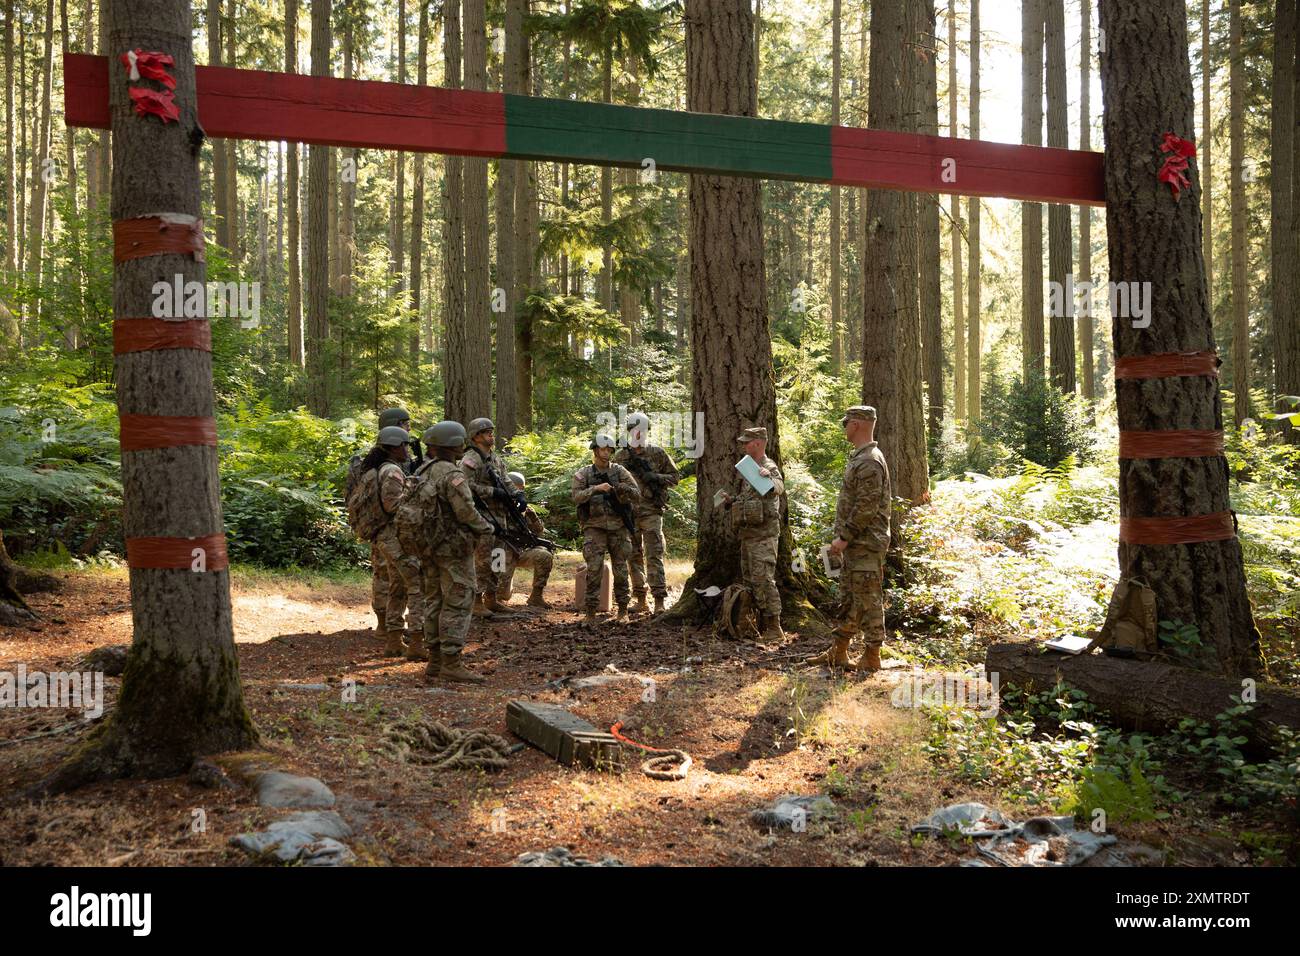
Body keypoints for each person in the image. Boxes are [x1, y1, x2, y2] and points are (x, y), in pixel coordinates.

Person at [405, 420, 495, 684]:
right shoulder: (451, 474)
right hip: (453, 549)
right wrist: (486, 528)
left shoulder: (423, 469)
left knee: (434, 601)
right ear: (453, 444)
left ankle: (434, 662)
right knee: (458, 601)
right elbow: (465, 510)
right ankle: (452, 663)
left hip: (428, 547)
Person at [806, 405, 891, 672]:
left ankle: (872, 655)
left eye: (846, 423)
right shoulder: (862, 457)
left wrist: (844, 536)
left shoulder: (869, 460)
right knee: (851, 598)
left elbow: (866, 506)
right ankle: (839, 651)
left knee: (868, 599)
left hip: (865, 543)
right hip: (857, 544)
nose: (844, 428)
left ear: (855, 424)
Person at [718, 426, 784, 641]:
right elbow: (750, 500)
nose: (744, 446)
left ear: (757, 443)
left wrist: (769, 478)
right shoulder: (749, 469)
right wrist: (732, 502)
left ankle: (775, 628)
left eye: (747, 442)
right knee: (751, 581)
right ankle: (754, 625)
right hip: (748, 536)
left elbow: (779, 487)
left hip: (764, 537)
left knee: (764, 580)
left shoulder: (767, 466)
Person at [613, 411, 680, 615]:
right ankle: (640, 598)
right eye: (634, 430)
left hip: (651, 511)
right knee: (633, 556)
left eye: (641, 430)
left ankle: (659, 600)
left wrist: (655, 477)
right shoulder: (621, 456)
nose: (638, 434)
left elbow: (675, 477)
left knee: (654, 554)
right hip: (629, 513)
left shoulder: (657, 453)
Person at [369, 425, 426, 660]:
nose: (407, 450)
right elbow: (393, 506)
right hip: (394, 537)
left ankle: (393, 641)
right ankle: (416, 643)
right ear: (394, 447)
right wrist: (415, 489)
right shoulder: (392, 472)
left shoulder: (379, 468)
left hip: (386, 537)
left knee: (398, 586)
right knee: (417, 584)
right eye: (404, 445)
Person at [571, 434, 641, 624]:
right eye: (603, 449)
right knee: (594, 570)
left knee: (620, 570)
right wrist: (595, 489)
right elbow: (576, 497)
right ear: (595, 451)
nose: (607, 453)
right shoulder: (584, 474)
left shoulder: (620, 471)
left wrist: (618, 488)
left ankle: (623, 610)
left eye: (610, 450)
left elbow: (636, 494)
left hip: (618, 527)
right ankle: (591, 612)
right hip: (594, 528)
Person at [461, 417, 514, 616]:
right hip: (482, 518)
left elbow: (506, 480)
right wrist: (491, 492)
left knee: (497, 560)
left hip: (500, 518)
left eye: (491, 431)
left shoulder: (495, 458)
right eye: (486, 432)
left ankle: (491, 598)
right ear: (476, 437)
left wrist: (516, 495)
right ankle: (476, 601)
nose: (491, 434)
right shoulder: (470, 459)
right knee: (482, 561)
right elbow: (464, 484)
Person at [368, 409, 412, 636]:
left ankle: (392, 624)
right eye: (406, 423)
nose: (409, 428)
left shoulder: (400, 456)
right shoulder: (384, 461)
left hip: (391, 527)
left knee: (392, 575)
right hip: (385, 526)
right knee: (385, 574)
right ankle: (385, 623)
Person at [495, 471, 555, 608]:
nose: (519, 491)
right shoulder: (497, 508)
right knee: (503, 595)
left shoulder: (526, 510)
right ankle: (496, 592)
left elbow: (539, 532)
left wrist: (533, 521)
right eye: (516, 487)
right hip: (500, 552)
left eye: (521, 488)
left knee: (544, 555)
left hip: (520, 551)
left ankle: (536, 597)